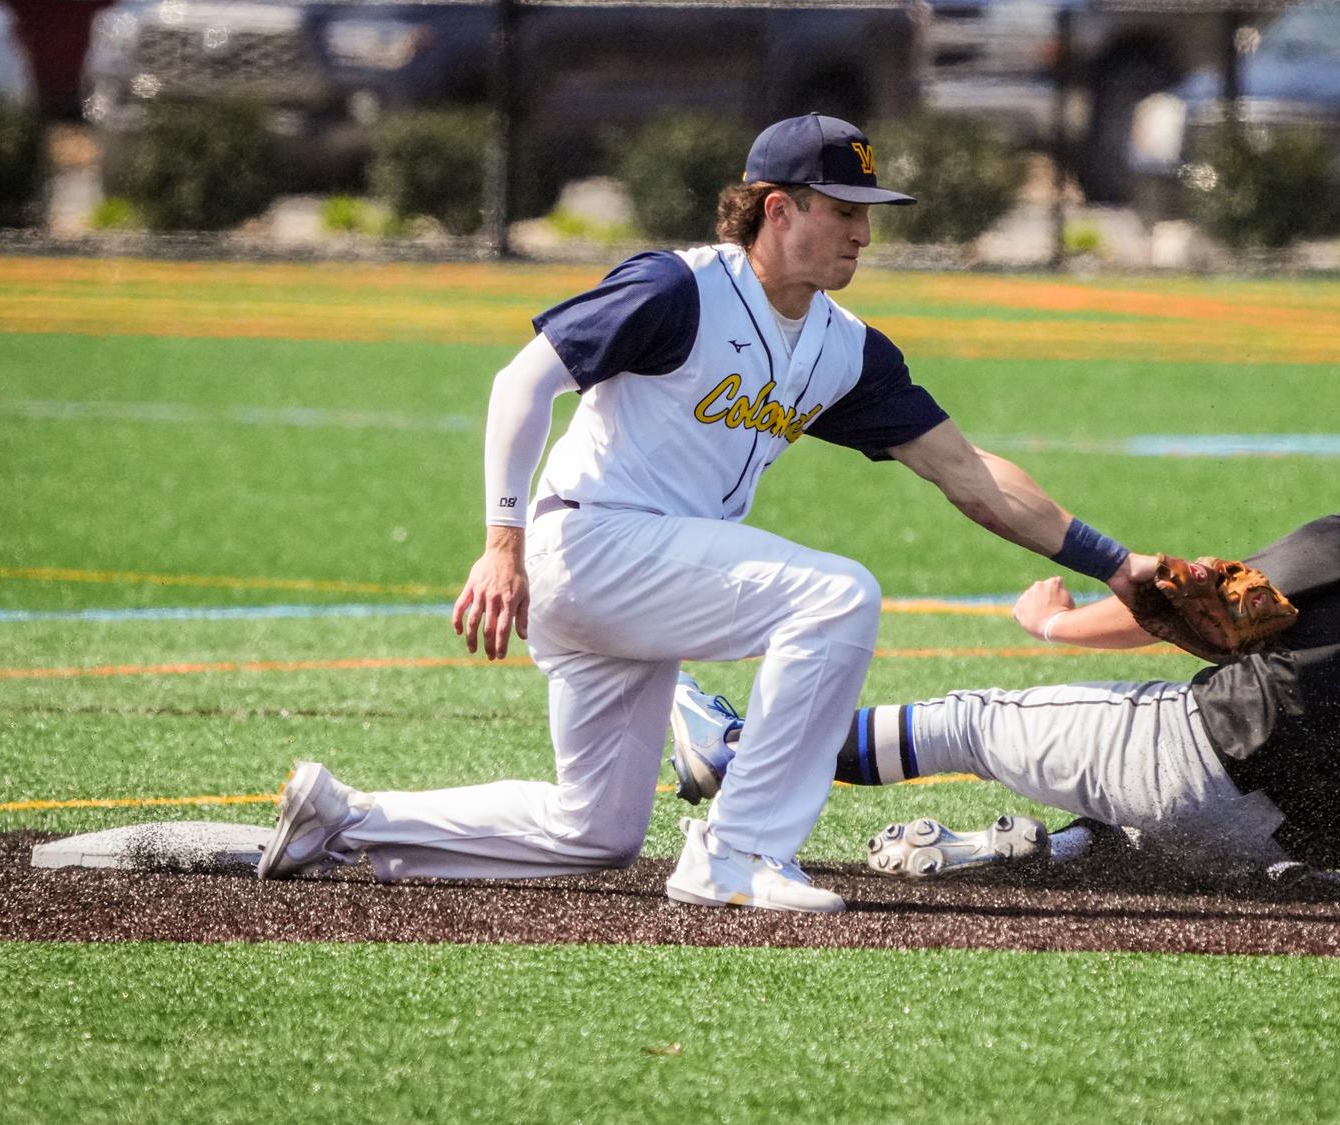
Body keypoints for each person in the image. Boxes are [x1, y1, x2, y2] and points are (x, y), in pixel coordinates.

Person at [254, 113, 1155, 914]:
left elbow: (969, 474)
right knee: (836, 597)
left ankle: (347, 819)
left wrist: (1116, 566)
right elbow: (523, 379)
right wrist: (502, 541)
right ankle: (738, 849)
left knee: (595, 831)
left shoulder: (842, 350)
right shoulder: (679, 288)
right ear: (777, 209)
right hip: (591, 540)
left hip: (647, 576)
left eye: (866, 210)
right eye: (843, 208)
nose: (863, 232)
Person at [669, 404, 1340, 917]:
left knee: (974, 719)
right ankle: (1019, 853)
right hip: (1285, 860)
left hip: (1191, 767)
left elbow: (1197, 613)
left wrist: (1052, 627)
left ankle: (733, 753)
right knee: (1144, 831)